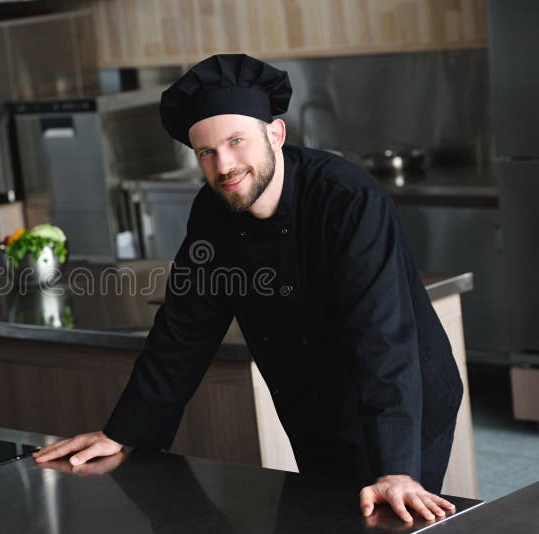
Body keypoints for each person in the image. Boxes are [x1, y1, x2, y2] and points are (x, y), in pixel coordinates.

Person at [34, 54, 463, 524]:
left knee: (389, 520)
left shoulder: (349, 200)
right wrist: (123, 432)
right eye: (207, 152)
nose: (225, 165)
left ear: (275, 135)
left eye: (236, 141)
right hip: (313, 405)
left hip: (402, 401)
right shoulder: (212, 212)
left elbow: (382, 336)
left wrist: (397, 468)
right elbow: (184, 328)